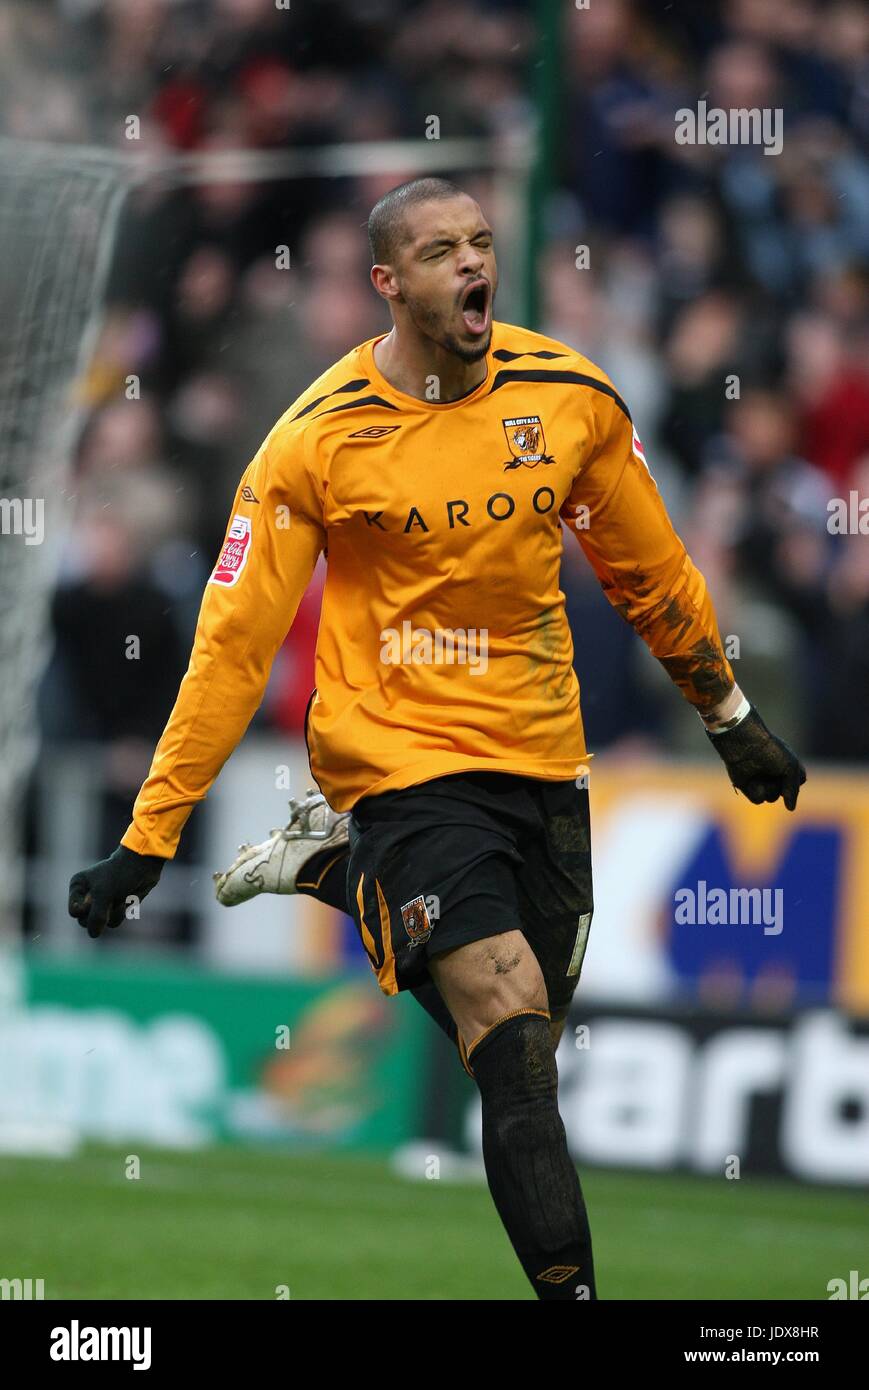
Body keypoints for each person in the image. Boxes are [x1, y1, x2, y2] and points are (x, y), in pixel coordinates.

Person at [68, 177, 806, 1300]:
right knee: (506, 1023)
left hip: (542, 757)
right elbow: (231, 645)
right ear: (388, 283)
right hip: (400, 759)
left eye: (479, 243)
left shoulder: (568, 399)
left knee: (521, 1050)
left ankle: (334, 867)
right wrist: (149, 832)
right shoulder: (311, 442)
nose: (471, 263)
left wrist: (727, 715)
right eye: (438, 250)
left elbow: (648, 572)